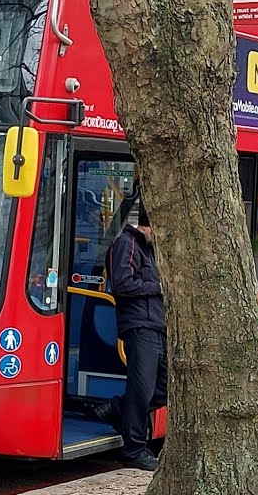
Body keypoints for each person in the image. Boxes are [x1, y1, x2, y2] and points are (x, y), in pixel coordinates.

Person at [94, 202, 166, 471]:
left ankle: (117, 410)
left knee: (164, 386)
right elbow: (122, 284)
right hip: (140, 325)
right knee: (143, 388)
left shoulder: (147, 247)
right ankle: (134, 448)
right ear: (151, 225)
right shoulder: (127, 243)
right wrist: (158, 287)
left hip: (155, 324)